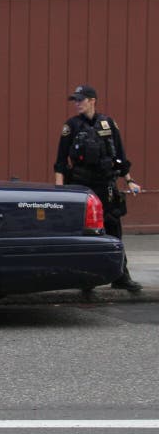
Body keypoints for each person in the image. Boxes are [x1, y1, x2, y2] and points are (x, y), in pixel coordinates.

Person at [54, 84, 142, 292]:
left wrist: (129, 180)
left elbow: (119, 157)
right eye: (75, 100)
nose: (77, 104)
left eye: (80, 100)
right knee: (86, 232)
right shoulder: (71, 126)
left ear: (92, 100)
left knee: (113, 229)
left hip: (105, 184)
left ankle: (120, 276)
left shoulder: (108, 124)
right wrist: (59, 190)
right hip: (81, 186)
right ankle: (87, 280)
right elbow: (60, 161)